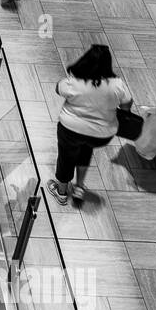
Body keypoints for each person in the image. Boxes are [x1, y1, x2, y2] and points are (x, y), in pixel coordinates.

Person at [47, 45, 132, 206]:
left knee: (66, 157)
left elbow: (58, 88)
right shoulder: (117, 85)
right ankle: (79, 187)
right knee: (85, 151)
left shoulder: (74, 83)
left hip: (71, 130)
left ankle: (62, 192)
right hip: (101, 135)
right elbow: (127, 105)